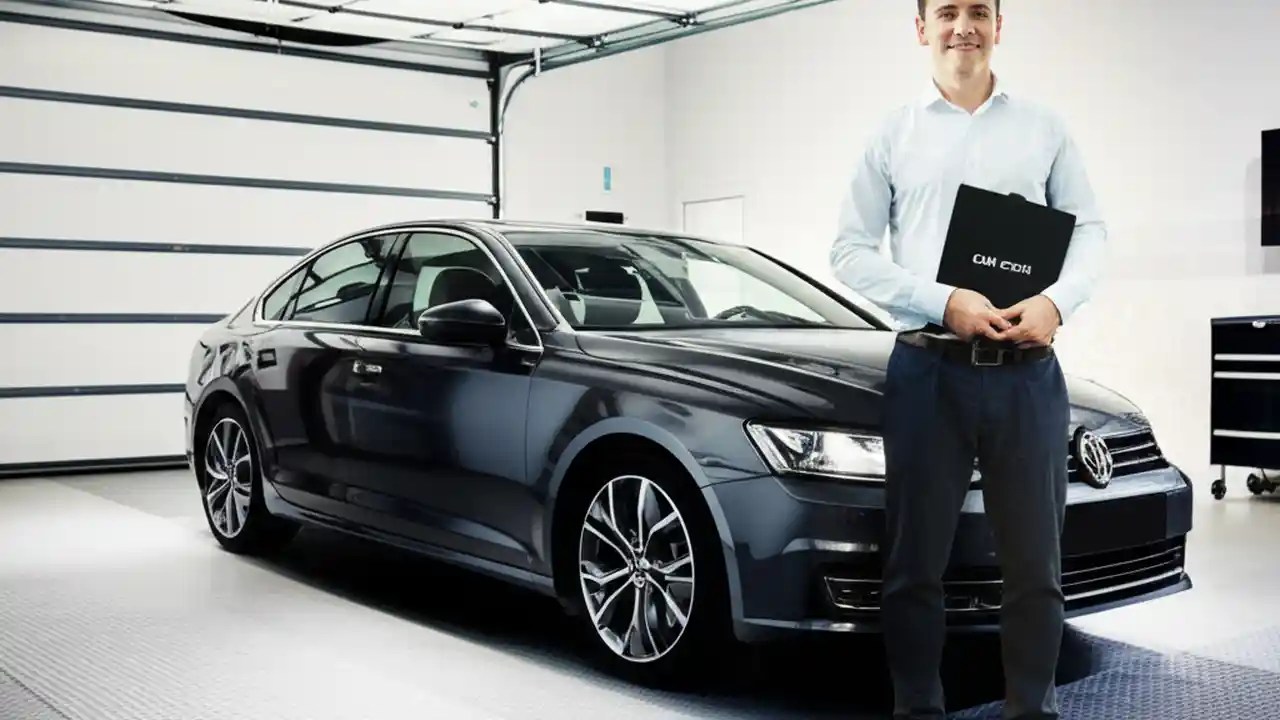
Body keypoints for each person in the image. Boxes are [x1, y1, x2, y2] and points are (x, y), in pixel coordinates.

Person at [828, 1, 1107, 718]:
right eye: (947, 12)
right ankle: (917, 709)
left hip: (1027, 375)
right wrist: (941, 299)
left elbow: (1090, 231)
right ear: (922, 28)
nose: (964, 26)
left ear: (998, 25)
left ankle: (1031, 710)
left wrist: (1056, 303)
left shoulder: (1044, 128)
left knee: (1036, 568)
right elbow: (849, 251)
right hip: (928, 370)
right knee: (914, 565)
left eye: (979, 10)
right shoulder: (892, 134)